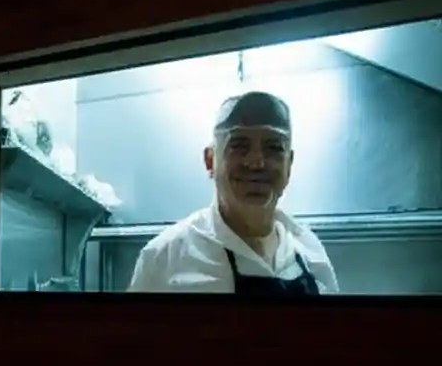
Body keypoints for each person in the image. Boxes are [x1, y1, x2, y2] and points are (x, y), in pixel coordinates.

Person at [127, 91, 338, 295]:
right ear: (210, 160)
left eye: (273, 147)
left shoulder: (310, 252)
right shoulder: (165, 258)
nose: (256, 162)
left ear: (289, 164)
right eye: (239, 145)